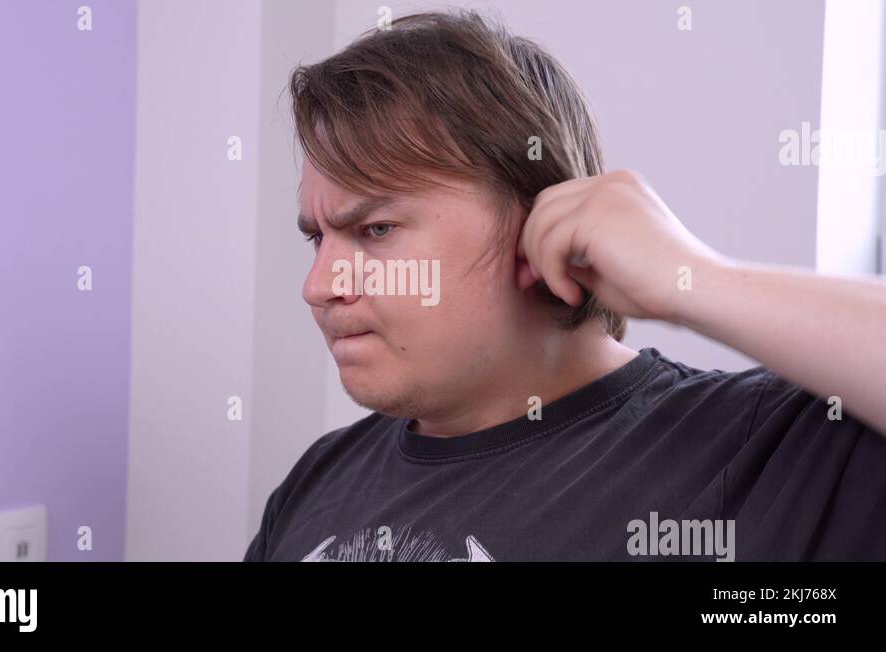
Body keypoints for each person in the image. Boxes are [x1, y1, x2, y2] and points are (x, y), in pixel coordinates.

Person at [244, 9, 886, 562]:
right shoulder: (317, 482)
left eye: (377, 230)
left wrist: (693, 278)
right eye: (317, 238)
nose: (320, 285)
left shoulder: (766, 452)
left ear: (533, 223)